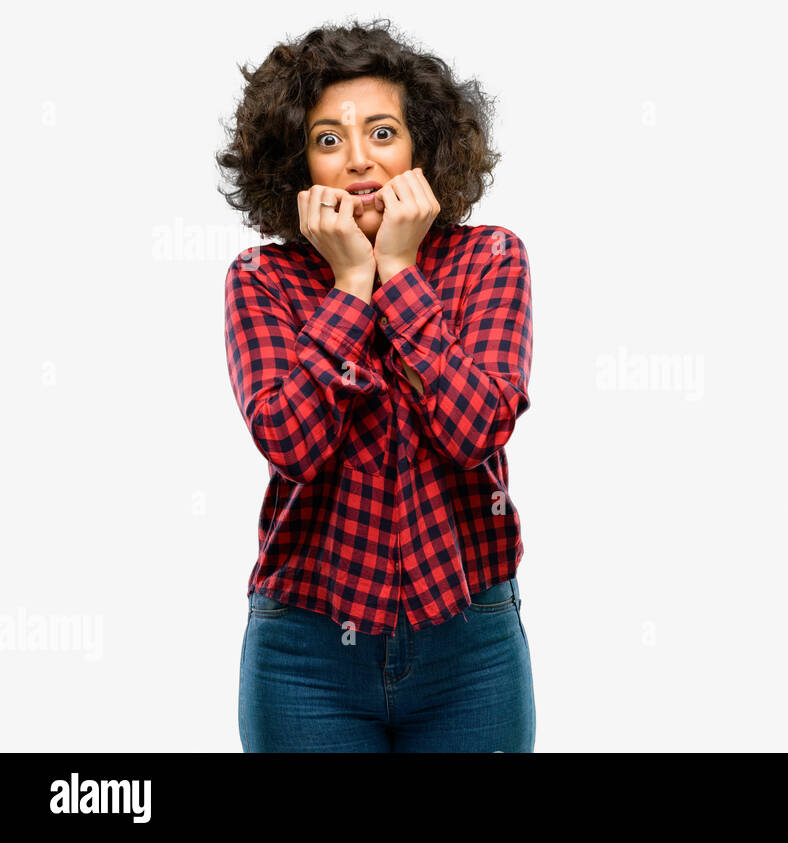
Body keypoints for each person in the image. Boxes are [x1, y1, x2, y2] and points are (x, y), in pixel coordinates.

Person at [215, 18, 535, 752]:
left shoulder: (491, 259)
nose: (360, 161)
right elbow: (293, 443)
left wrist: (399, 272)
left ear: (423, 147)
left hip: (471, 649)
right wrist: (353, 284)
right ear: (296, 163)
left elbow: (475, 429)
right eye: (329, 139)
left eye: (383, 133)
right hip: (304, 655)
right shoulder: (261, 281)